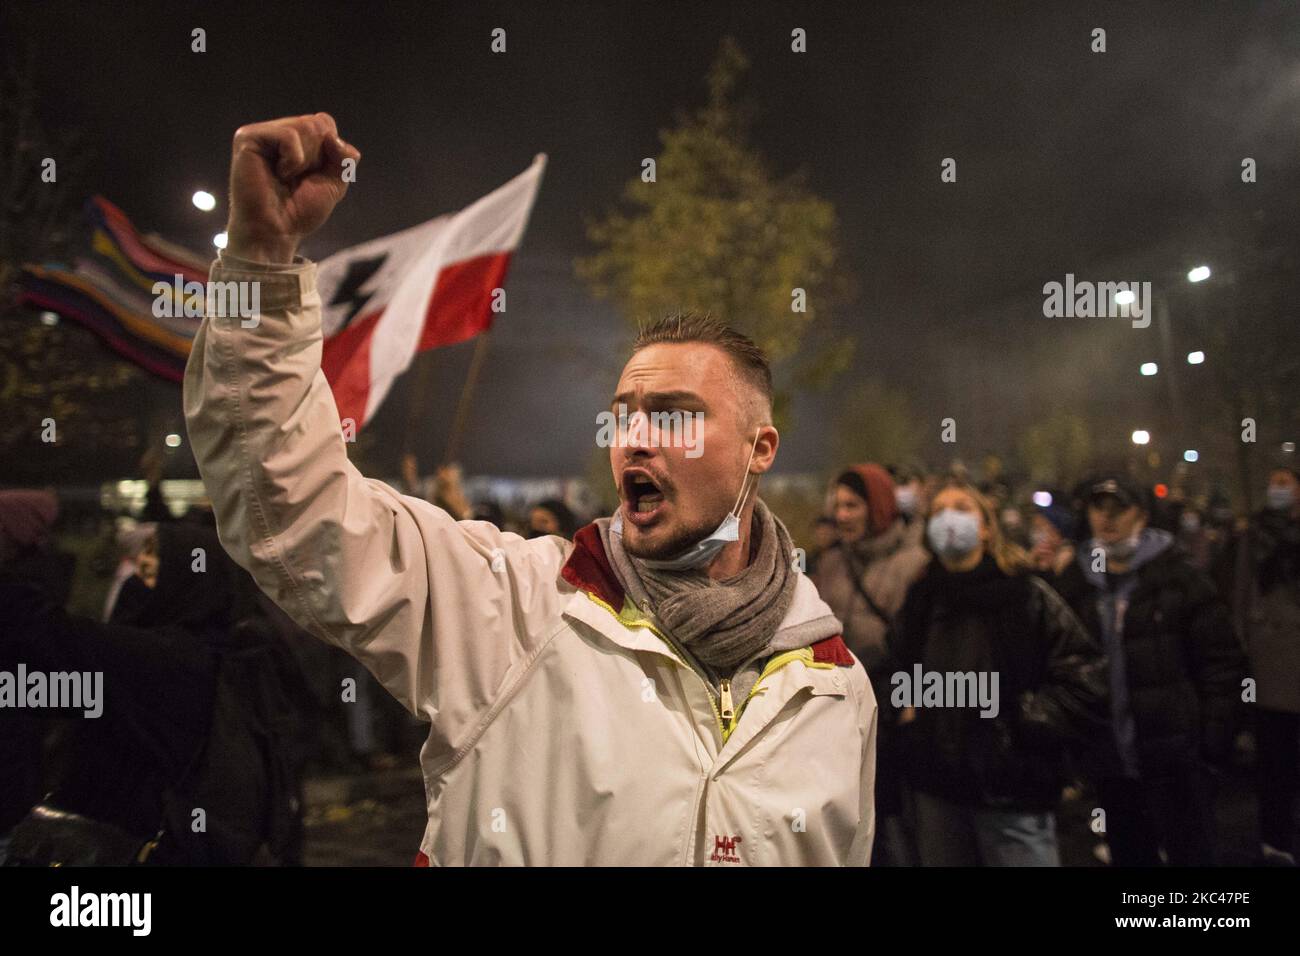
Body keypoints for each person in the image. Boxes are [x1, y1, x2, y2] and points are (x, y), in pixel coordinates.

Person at [182, 113, 877, 866]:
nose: (636, 439)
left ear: (759, 450)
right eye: (624, 417)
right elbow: (293, 506)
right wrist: (258, 267)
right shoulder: (510, 607)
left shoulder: (836, 690)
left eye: (674, 416)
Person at [0, 523, 313, 865]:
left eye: (149, 563)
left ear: (182, 578)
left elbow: (48, 635)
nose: (136, 573)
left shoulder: (169, 664)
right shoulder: (234, 655)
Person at [893, 481, 1106, 866]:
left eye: (961, 507)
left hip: (1012, 790)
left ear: (987, 527)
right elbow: (900, 670)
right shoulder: (921, 601)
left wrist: (1020, 721)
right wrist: (911, 717)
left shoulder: (1026, 595)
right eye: (938, 511)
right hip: (938, 788)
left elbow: (1084, 677)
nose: (948, 518)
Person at [1053, 474, 1245, 866]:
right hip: (1110, 764)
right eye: (1097, 508)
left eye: (1118, 509)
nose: (1106, 519)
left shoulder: (1180, 577)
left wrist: (1211, 743)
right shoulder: (1075, 583)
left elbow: (1222, 664)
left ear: (1141, 515)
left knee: (1192, 855)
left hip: (1176, 761)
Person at [811, 463, 929, 865]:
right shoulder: (830, 563)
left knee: (892, 825)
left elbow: (924, 647)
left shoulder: (915, 565)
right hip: (838, 717)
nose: (842, 515)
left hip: (892, 720)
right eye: (838, 505)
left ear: (877, 507)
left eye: (853, 505)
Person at [1226, 466, 1300, 864]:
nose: (1278, 490)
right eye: (1274, 482)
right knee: (1276, 761)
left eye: (1286, 483)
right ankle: (1275, 840)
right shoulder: (1255, 535)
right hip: (1272, 666)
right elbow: (1240, 597)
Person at [1030, 501, 1076, 577]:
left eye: (1040, 528)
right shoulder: (1039, 556)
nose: (1037, 534)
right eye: (1035, 528)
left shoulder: (1067, 558)